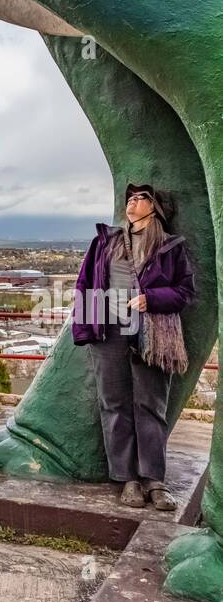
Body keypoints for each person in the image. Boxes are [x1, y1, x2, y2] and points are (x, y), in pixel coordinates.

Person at [71, 183, 196, 509]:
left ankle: (154, 481)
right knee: (114, 405)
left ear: (154, 208)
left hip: (153, 334)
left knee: (150, 406)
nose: (133, 202)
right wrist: (85, 329)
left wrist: (151, 299)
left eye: (141, 198)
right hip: (110, 332)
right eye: (131, 198)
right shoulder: (105, 242)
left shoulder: (170, 247)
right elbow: (85, 285)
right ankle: (127, 480)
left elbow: (185, 292)